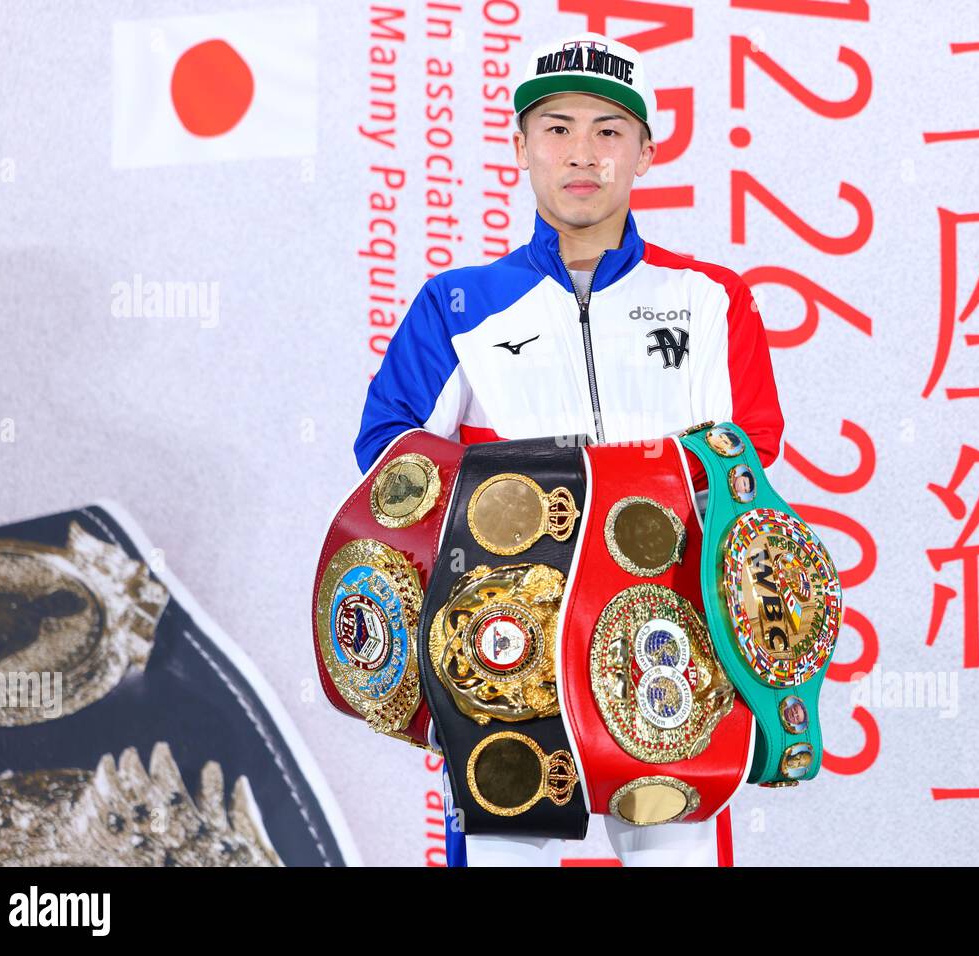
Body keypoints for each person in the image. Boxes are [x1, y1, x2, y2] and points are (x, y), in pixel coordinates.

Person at [353, 31, 786, 867]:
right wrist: (502, 518)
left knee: (675, 856)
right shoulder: (456, 304)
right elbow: (389, 456)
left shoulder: (709, 298)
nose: (582, 153)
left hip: (669, 638)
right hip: (503, 638)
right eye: (557, 129)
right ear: (521, 148)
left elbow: (750, 449)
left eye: (608, 130)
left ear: (646, 151)